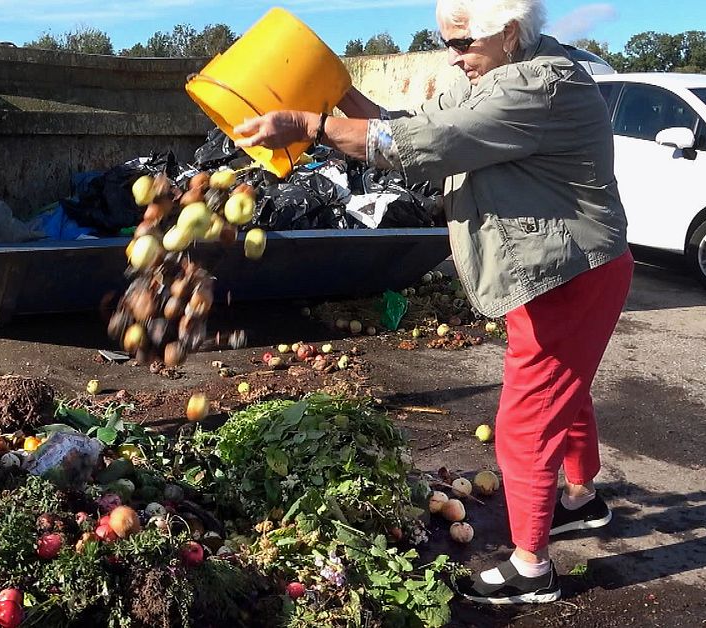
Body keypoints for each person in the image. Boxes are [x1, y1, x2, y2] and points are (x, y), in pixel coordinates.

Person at [234, 0, 632, 606]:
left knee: (526, 419)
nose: (452, 55)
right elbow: (410, 123)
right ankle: (580, 499)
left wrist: (312, 126)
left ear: (508, 31)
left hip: (570, 276)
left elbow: (425, 144)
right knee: (563, 391)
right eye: (446, 41)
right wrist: (341, 96)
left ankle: (532, 568)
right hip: (560, 267)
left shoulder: (538, 87)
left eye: (462, 42)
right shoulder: (495, 75)